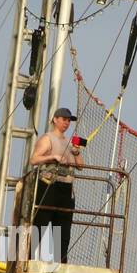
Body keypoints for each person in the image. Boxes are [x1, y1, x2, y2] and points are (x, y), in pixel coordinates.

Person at [27, 108, 83, 263]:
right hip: (48, 186)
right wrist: (53, 157)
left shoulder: (70, 142)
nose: (67, 123)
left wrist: (76, 152)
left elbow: (80, 166)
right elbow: (34, 159)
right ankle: (28, 258)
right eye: (64, 119)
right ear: (55, 119)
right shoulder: (47, 138)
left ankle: (61, 260)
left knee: (63, 228)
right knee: (41, 223)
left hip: (66, 188)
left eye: (69, 120)